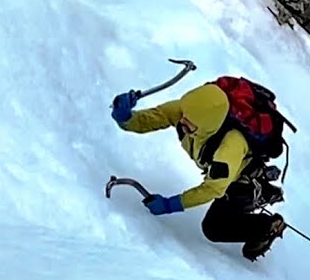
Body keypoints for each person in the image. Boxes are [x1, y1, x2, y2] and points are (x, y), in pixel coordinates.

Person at [111, 80, 287, 260]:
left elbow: (213, 189)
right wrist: (125, 118)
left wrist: (171, 205)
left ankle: (266, 226)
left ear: (208, 126)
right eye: (183, 120)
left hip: (242, 183)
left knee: (213, 228)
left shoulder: (230, 147)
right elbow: (152, 118)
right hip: (224, 176)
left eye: (190, 125)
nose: (183, 125)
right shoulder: (188, 111)